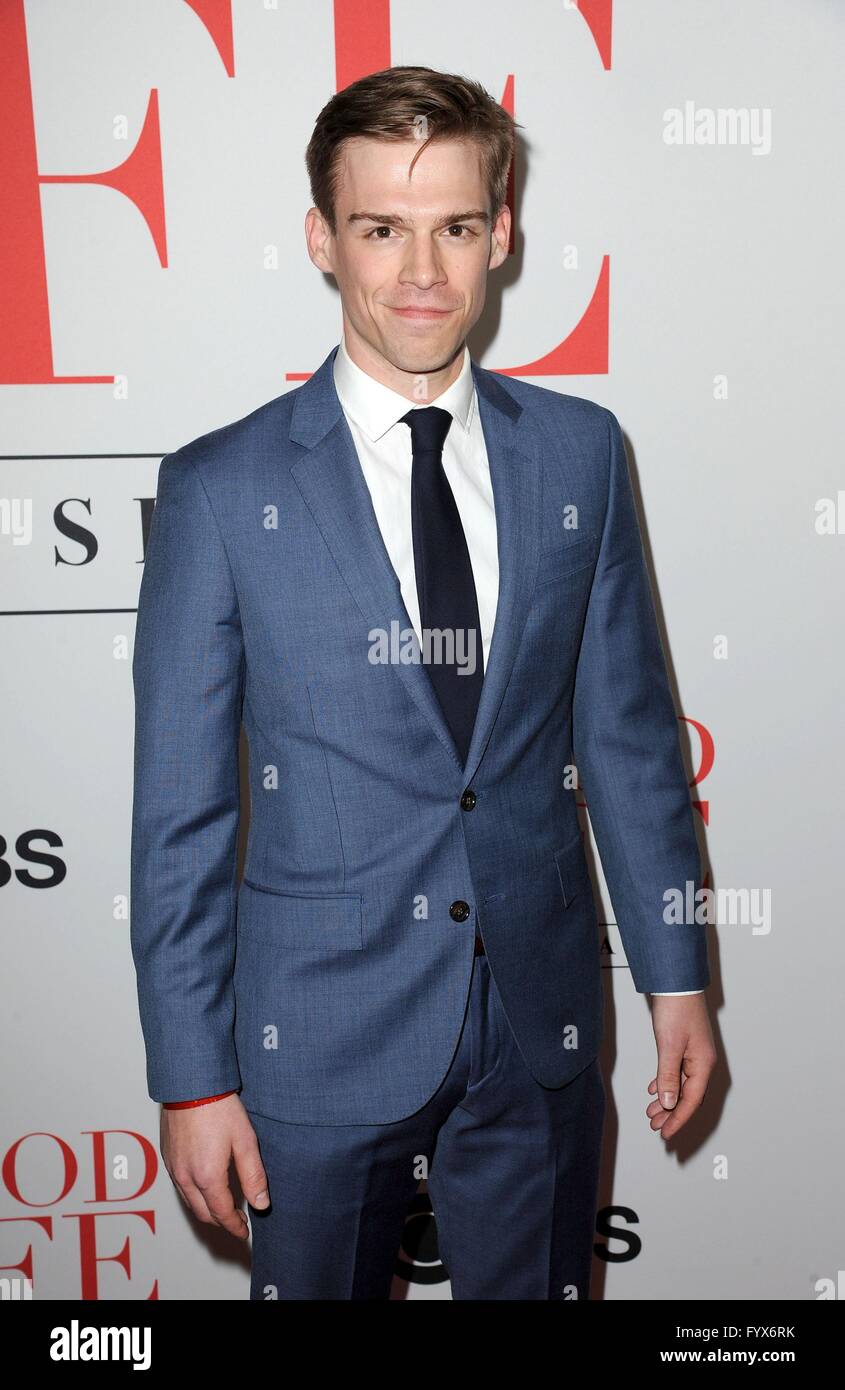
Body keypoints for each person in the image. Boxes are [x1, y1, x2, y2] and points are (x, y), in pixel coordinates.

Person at [130, 65, 716, 1301]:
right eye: (379, 229)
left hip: (537, 1026)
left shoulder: (578, 453)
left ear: (500, 234)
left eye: (453, 227)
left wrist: (675, 978)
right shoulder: (221, 491)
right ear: (320, 239)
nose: (419, 273)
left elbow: (625, 741)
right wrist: (191, 1075)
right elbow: (178, 812)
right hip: (312, 1039)